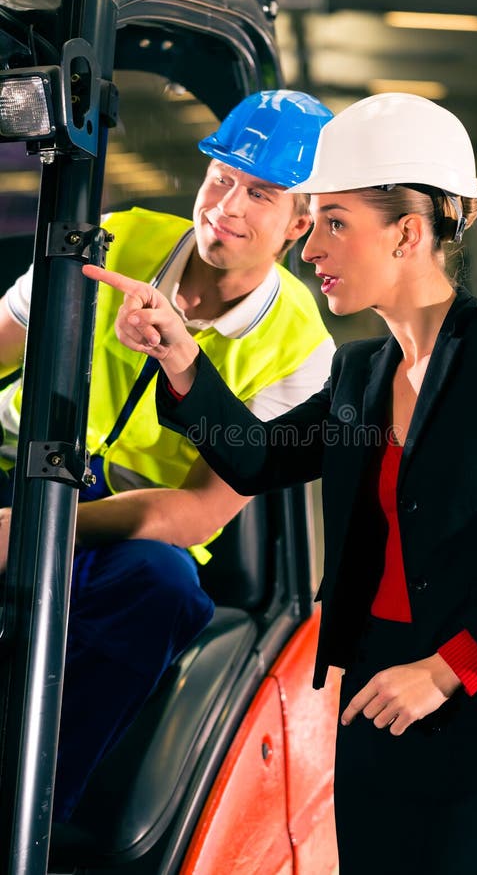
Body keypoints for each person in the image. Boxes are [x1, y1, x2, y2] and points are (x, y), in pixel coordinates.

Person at [83, 92, 477, 875]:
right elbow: (257, 459)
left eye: (332, 223)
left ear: (408, 232)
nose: (309, 247)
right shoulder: (362, 373)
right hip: (368, 690)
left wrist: (448, 667)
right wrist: (182, 358)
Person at [0, 89, 335, 822]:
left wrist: (28, 529)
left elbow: (195, 512)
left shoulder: (303, 351)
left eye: (261, 194)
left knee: (163, 592)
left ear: (300, 222)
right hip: (11, 467)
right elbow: (4, 338)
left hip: (124, 529)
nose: (227, 208)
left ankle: (35, 819)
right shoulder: (118, 237)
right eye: (221, 179)